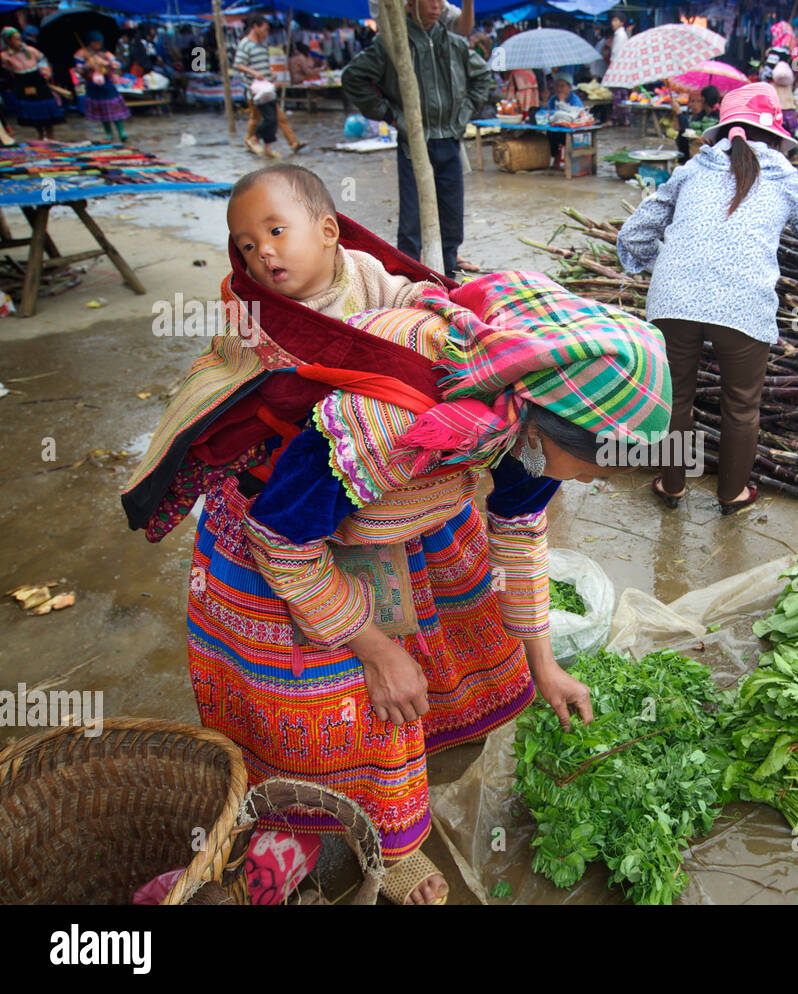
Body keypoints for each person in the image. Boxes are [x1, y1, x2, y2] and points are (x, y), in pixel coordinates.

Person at [123, 162, 672, 905]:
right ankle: (316, 824)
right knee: (334, 702)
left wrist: (543, 661)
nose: (604, 480)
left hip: (383, 508)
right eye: (602, 463)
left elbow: (517, 525)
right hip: (282, 526)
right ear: (543, 424)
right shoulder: (392, 420)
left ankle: (396, 828)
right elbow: (280, 539)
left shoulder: (526, 408)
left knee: (424, 668)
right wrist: (373, 646)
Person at [617, 82, 798, 514]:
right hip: (744, 304)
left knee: (675, 400)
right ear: (778, 135)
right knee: (742, 407)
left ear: (724, 130)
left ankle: (672, 486)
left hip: (673, 299)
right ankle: (732, 495)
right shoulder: (786, 178)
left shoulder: (692, 169)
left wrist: (664, 270)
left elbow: (634, 233)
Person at [342, 0, 492, 275]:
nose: (436, 6)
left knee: (451, 217)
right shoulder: (393, 44)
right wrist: (391, 115)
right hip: (413, 143)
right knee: (411, 223)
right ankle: (408, 282)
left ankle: (446, 277)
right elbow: (353, 78)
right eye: (429, 0)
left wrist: (463, 115)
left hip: (448, 139)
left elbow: (483, 76)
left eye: (440, 1)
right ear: (410, 4)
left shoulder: (453, 44)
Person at [233, 15, 306, 160]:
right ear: (255, 27)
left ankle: (288, 143)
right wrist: (255, 73)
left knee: (270, 117)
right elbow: (238, 64)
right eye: (264, 30)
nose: (266, 33)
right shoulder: (245, 44)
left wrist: (269, 74)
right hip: (254, 89)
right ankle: (254, 140)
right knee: (266, 117)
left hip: (266, 88)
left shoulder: (263, 44)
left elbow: (264, 64)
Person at [0, 26, 62, 140]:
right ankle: (40, 134)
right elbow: (9, 69)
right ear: (7, 40)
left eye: (19, 39)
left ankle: (50, 135)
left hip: (37, 80)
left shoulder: (30, 50)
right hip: (22, 81)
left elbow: (43, 60)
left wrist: (46, 74)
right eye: (15, 39)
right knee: (33, 110)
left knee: (45, 106)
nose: (18, 42)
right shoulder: (5, 56)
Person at [74, 31, 130, 143]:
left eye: (99, 43)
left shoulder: (105, 53)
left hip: (107, 84)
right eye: (95, 43)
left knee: (113, 108)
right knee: (102, 111)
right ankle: (108, 133)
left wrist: (106, 63)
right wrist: (86, 66)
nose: (97, 46)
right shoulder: (82, 53)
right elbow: (78, 69)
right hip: (92, 84)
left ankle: (121, 131)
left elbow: (117, 64)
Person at [544, 72, 583, 165]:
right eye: (557, 86)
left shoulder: (574, 100)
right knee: (549, 134)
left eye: (562, 86)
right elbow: (549, 113)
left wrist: (562, 102)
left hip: (573, 132)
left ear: (569, 87)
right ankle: (554, 157)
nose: (559, 89)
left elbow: (577, 115)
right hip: (557, 130)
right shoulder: (553, 99)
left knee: (561, 135)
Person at [675, 85, 721, 162]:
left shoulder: (715, 119)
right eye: (692, 101)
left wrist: (679, 113)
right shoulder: (701, 115)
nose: (692, 105)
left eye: (698, 101)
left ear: (703, 100)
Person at [608, 14, 630, 125]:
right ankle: (625, 118)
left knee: (617, 95)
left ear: (621, 23)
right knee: (623, 94)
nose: (613, 22)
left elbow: (616, 54)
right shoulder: (620, 34)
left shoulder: (620, 35)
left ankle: (615, 118)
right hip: (621, 69)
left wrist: (612, 70)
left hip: (618, 69)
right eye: (612, 20)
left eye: (616, 20)